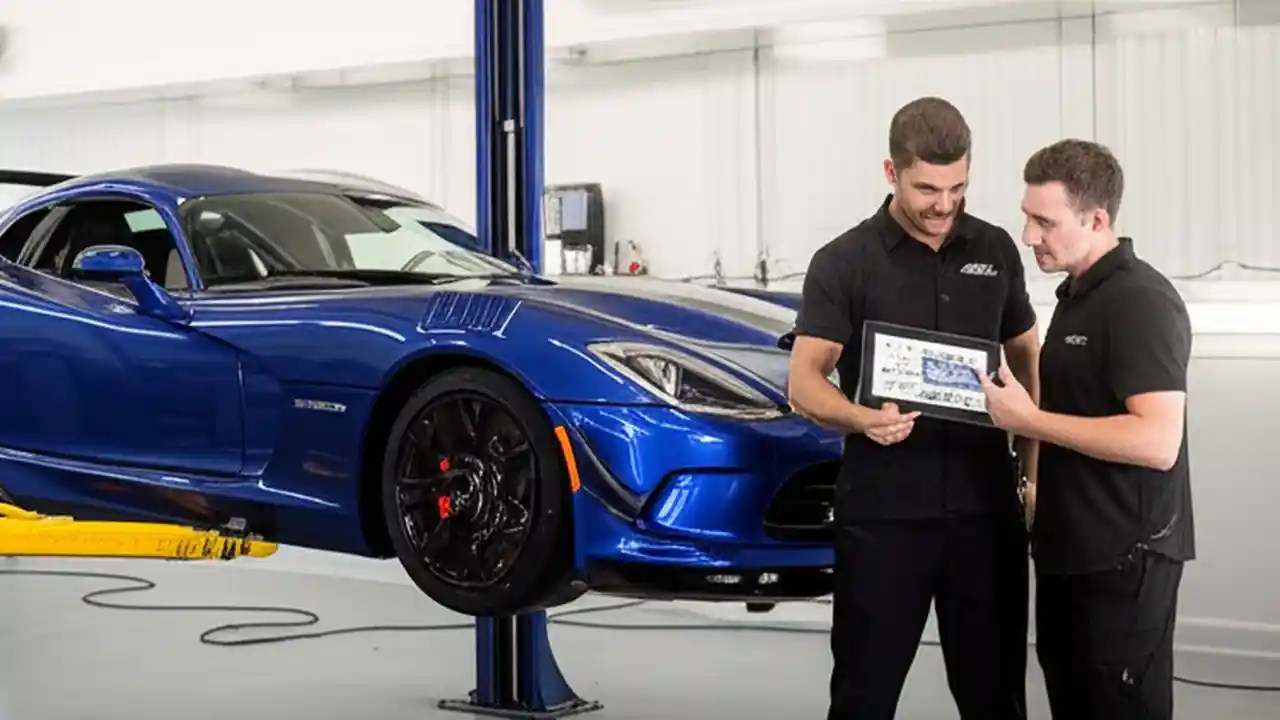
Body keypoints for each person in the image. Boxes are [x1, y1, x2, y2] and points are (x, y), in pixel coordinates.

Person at [787, 96, 1041, 720]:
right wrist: (860, 417)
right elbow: (804, 383)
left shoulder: (997, 249)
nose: (944, 205)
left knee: (997, 699)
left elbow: (1028, 362)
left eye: (958, 187)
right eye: (927, 187)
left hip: (986, 515)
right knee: (863, 698)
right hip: (884, 517)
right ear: (890, 172)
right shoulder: (843, 263)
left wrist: (1032, 472)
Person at [979, 138, 1195, 720]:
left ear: (1097, 219)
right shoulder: (1078, 298)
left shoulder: (1140, 302)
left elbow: (1156, 442)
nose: (1029, 236)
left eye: (1044, 221)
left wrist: (1030, 423)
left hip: (1122, 562)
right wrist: (1034, 487)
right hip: (1069, 554)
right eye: (1027, 217)